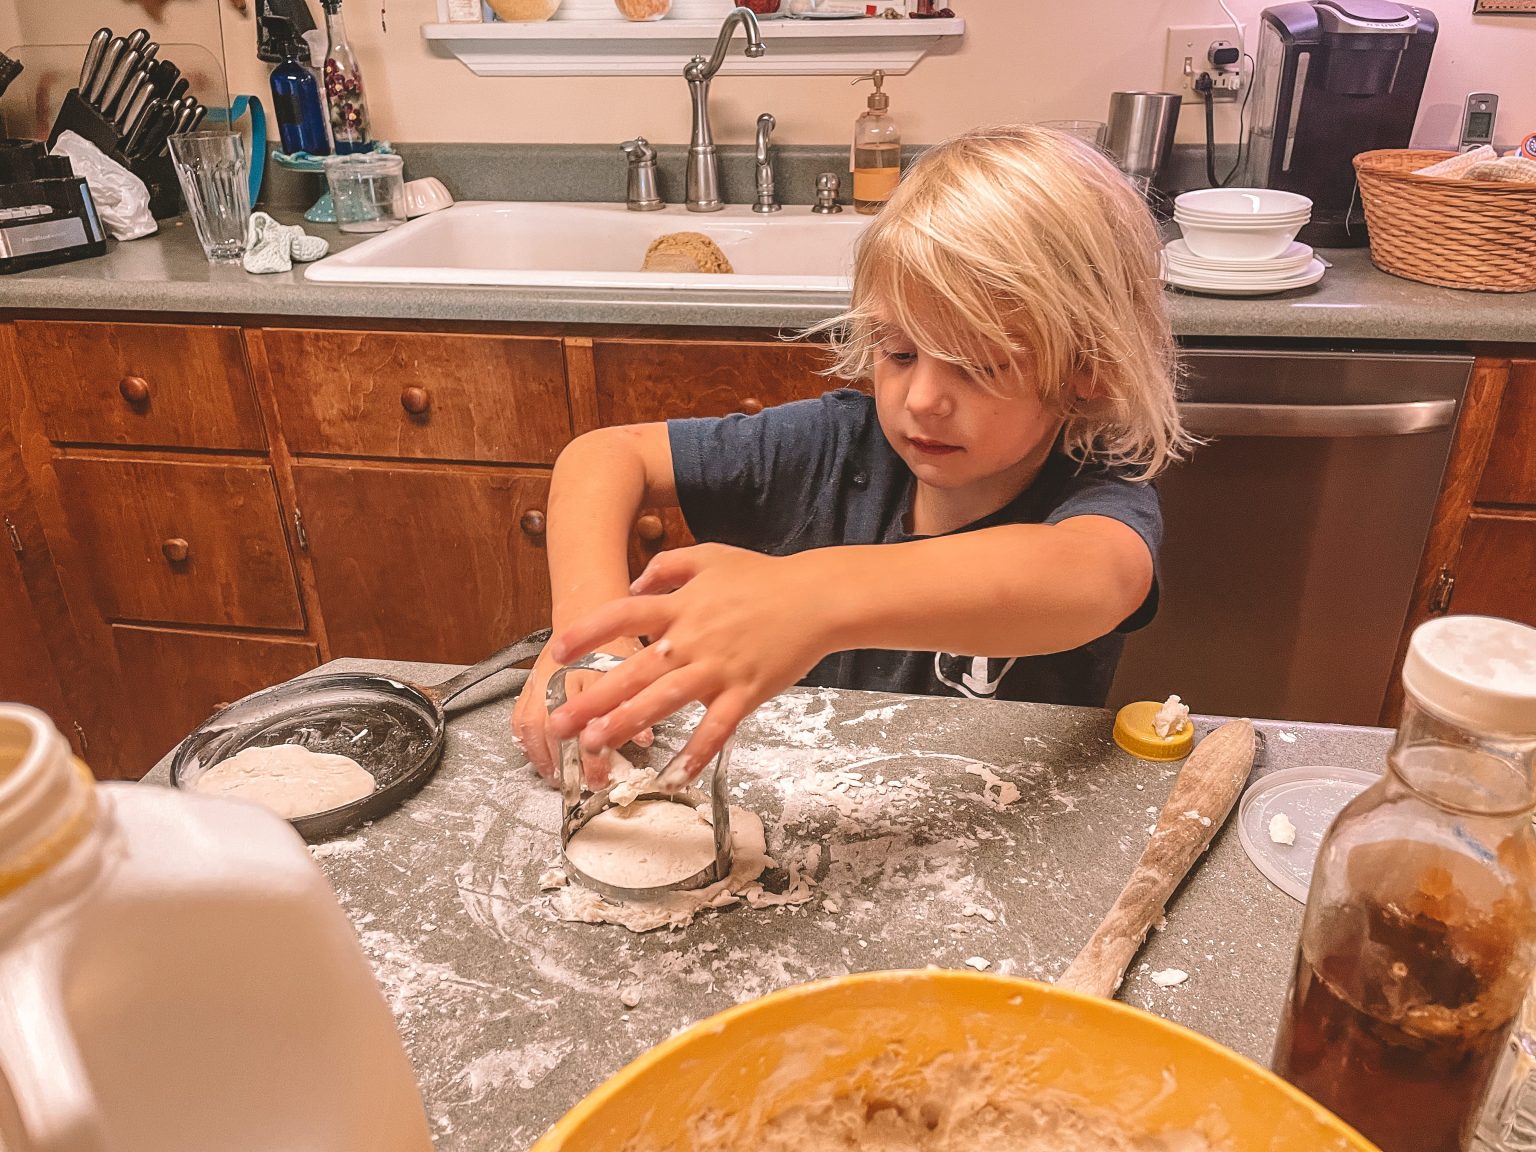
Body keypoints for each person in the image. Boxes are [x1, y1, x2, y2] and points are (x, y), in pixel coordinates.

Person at [512, 123, 1191, 790]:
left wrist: (811, 596)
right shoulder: (832, 446)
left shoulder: (1094, 492)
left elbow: (1096, 577)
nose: (921, 399)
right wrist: (589, 636)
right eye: (899, 352)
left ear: (1087, 367)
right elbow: (604, 454)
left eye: (978, 366)